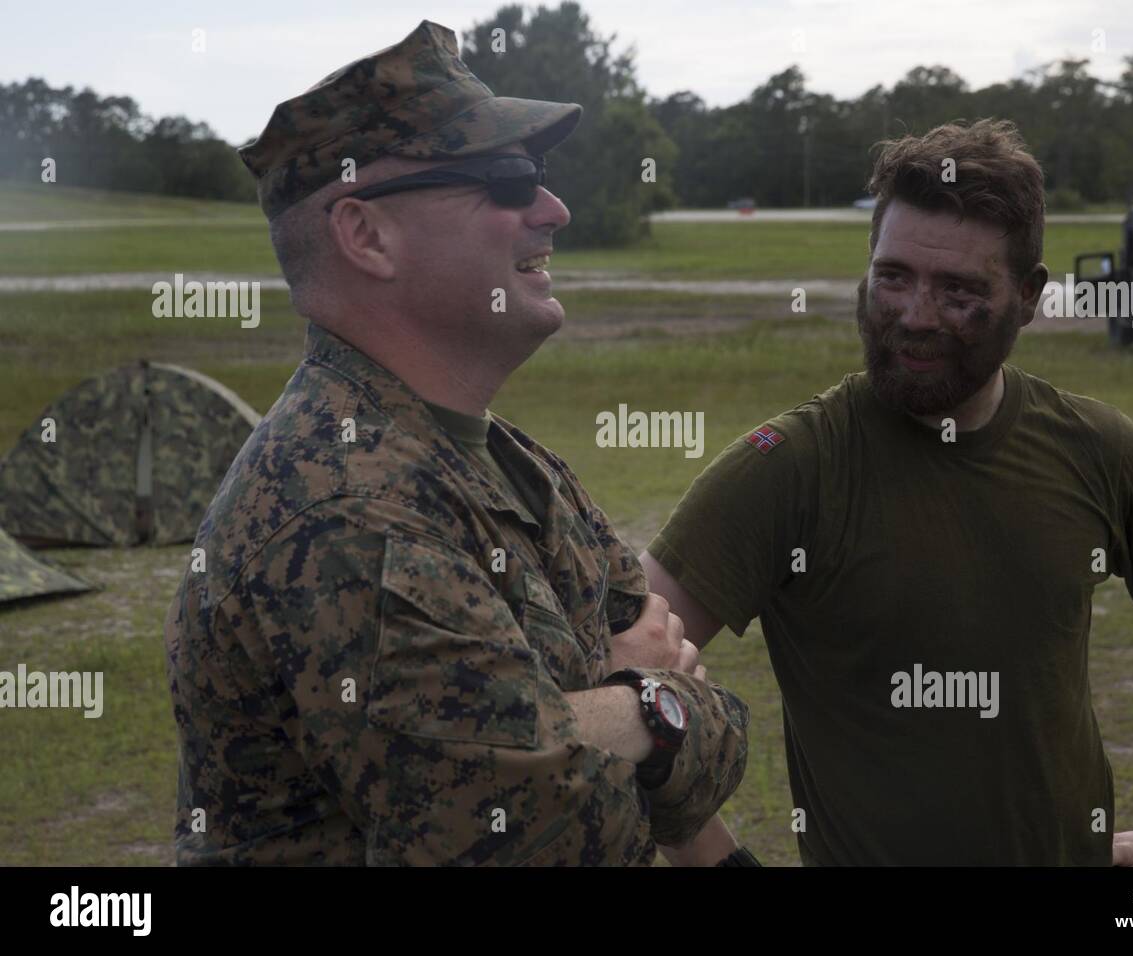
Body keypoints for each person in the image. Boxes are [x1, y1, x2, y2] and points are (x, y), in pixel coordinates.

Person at [164, 20, 750, 866]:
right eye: (508, 179)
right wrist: (651, 707)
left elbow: (688, 766)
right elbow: (542, 836)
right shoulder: (344, 512)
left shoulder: (510, 463)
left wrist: (603, 715)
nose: (553, 209)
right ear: (366, 235)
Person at [643, 119, 1133, 866]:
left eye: (959, 291)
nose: (914, 316)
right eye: (894, 276)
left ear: (1029, 296)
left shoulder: (1096, 450)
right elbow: (625, 677)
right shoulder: (788, 468)